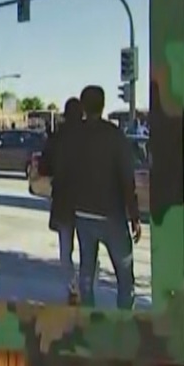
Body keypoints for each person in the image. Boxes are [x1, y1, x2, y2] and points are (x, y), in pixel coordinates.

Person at [60, 85, 142, 309]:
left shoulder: (75, 137)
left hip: (83, 214)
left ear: (83, 107)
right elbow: (127, 179)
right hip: (111, 214)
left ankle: (89, 319)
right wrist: (134, 215)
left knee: (87, 272)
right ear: (103, 105)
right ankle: (125, 322)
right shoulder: (115, 136)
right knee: (124, 276)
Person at [39, 97, 85, 304]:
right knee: (88, 249)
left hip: (64, 199)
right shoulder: (89, 136)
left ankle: (73, 286)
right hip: (88, 200)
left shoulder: (57, 138)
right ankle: (86, 285)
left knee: (65, 252)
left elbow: (44, 168)